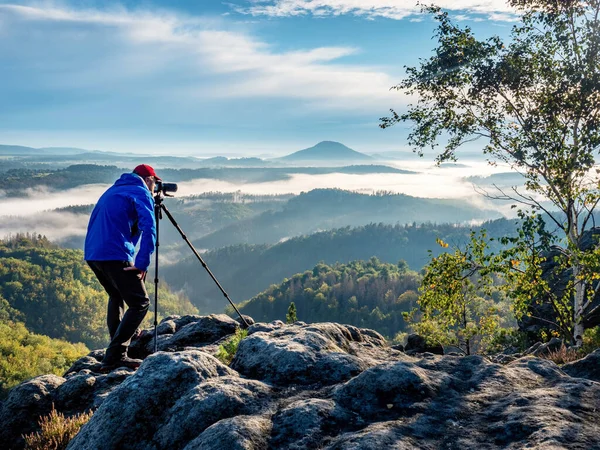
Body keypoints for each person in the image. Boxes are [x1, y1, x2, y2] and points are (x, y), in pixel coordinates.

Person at [84, 164, 159, 372]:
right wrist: (142, 264)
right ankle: (115, 356)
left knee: (116, 295)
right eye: (154, 181)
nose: (155, 186)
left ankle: (122, 340)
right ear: (148, 179)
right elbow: (149, 229)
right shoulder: (140, 192)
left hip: (93, 253)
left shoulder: (114, 189)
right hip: (114, 254)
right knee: (140, 303)